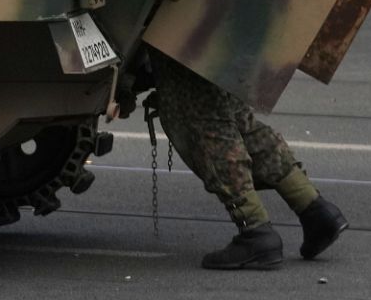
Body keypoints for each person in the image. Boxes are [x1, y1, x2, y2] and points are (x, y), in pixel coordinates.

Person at [146, 48, 346, 269]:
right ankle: (314, 210)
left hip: (184, 35)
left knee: (207, 125)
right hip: (222, 30)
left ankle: (255, 230)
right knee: (239, 120)